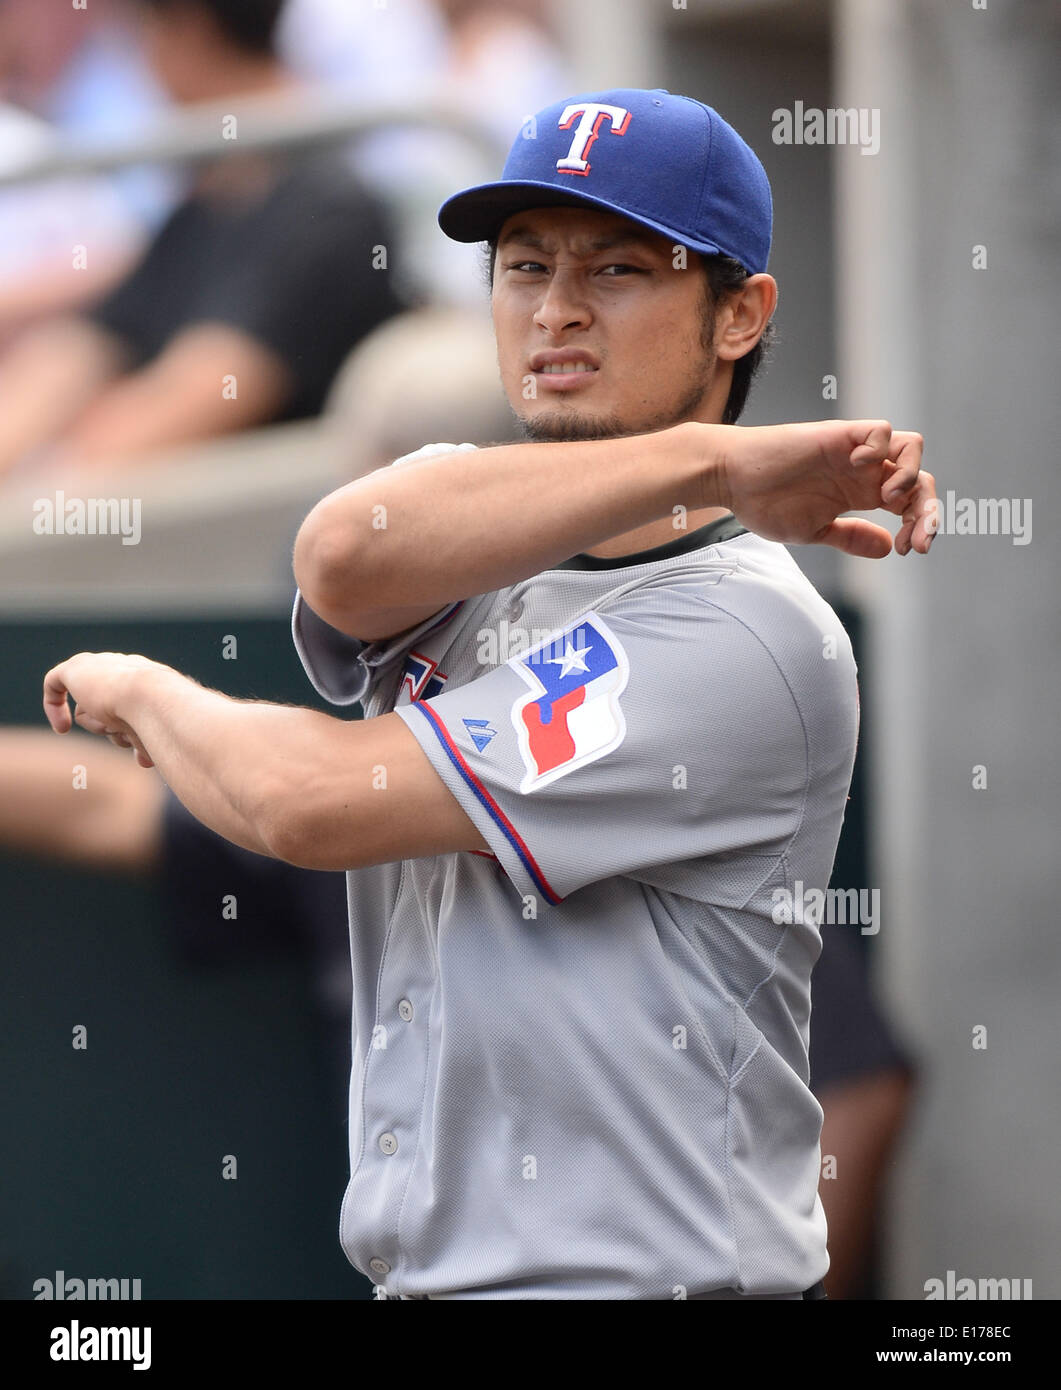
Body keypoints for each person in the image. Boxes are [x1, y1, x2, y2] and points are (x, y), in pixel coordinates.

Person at [41, 88, 936, 1300]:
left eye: (616, 269)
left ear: (738, 314)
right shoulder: (477, 535)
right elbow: (340, 560)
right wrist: (717, 456)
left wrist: (145, 688)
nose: (555, 310)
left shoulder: (745, 628)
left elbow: (315, 805)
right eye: (523, 267)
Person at [0, 0, 403, 479]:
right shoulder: (202, 210)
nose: (139, 64)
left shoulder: (331, 216)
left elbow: (167, 420)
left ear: (188, 30)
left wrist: (40, 480)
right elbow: (72, 356)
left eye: (142, 34)